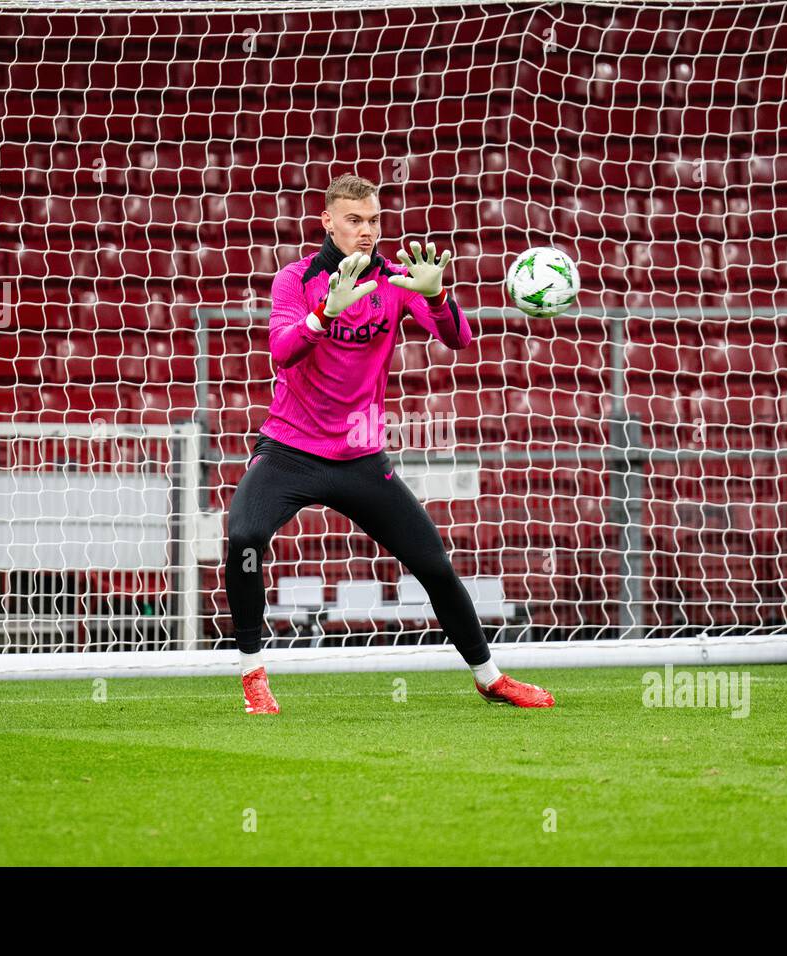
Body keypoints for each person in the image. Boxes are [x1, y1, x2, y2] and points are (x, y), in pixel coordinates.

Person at [224, 174, 556, 714]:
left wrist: (438, 295)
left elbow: (459, 338)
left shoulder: (398, 280)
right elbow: (282, 351)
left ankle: (490, 678)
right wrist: (324, 313)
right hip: (289, 449)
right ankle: (253, 675)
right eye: (354, 220)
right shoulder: (294, 280)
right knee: (243, 538)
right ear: (327, 221)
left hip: (360, 456)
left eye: (374, 219)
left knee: (434, 565)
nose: (367, 230)